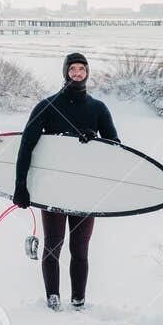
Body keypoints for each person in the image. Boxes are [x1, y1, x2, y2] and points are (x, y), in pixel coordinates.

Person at [12, 52, 118, 311]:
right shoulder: (47, 106)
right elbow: (27, 146)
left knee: (80, 248)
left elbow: (116, 148)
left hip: (85, 191)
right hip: (53, 189)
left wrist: (96, 139)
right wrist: (20, 185)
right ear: (65, 72)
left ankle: (79, 299)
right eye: (73, 69)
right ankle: (53, 297)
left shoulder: (97, 108)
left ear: (87, 73)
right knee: (53, 245)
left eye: (82, 69)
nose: (77, 73)